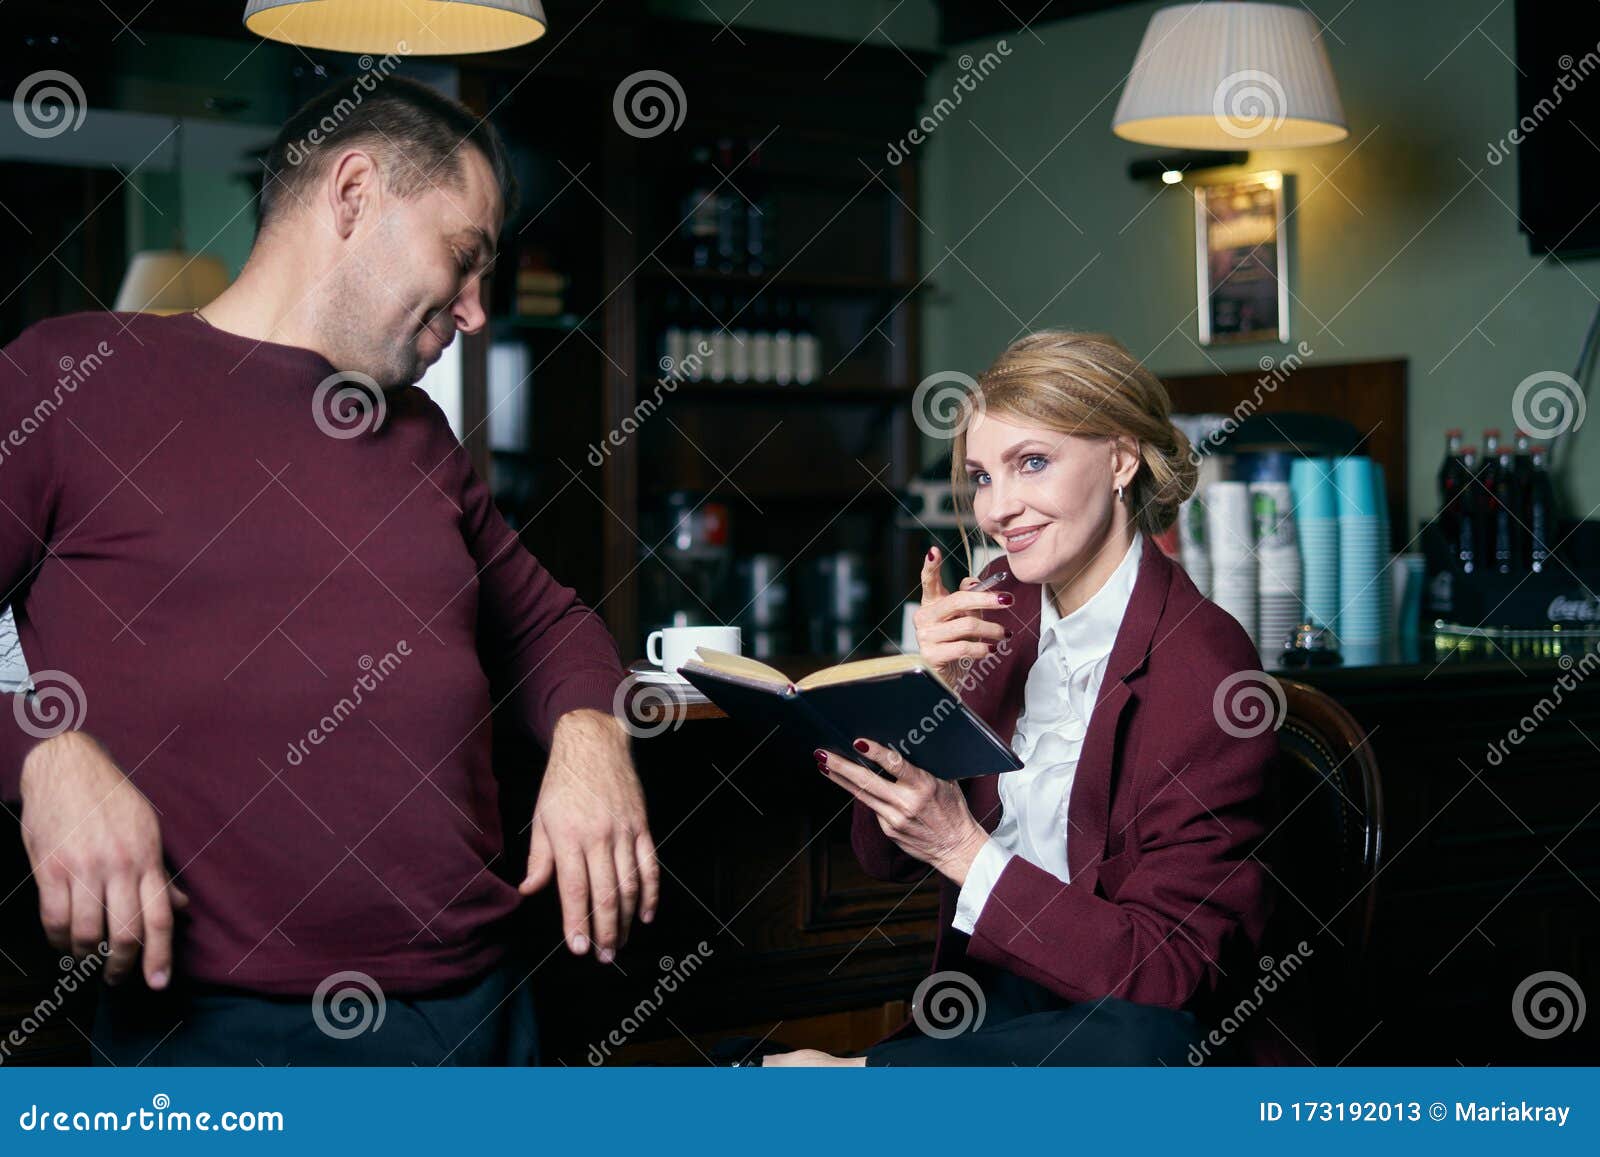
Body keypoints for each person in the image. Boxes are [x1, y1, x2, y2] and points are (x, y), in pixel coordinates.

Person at [0, 77, 657, 1065]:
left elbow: (548, 627)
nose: (478, 309)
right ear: (353, 194)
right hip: (215, 1026)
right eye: (465, 257)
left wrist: (591, 735)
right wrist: (40, 749)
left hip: (479, 1011)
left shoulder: (420, 434)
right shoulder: (69, 376)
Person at [764, 330, 1277, 1066]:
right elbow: (881, 857)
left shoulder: (1208, 665)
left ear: (1121, 459)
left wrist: (961, 847)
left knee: (1144, 1042)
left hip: (1124, 1027)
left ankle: (852, 1078)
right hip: (997, 1004)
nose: (998, 509)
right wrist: (924, 693)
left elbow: (1170, 976)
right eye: (980, 476)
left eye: (1031, 463)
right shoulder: (999, 610)